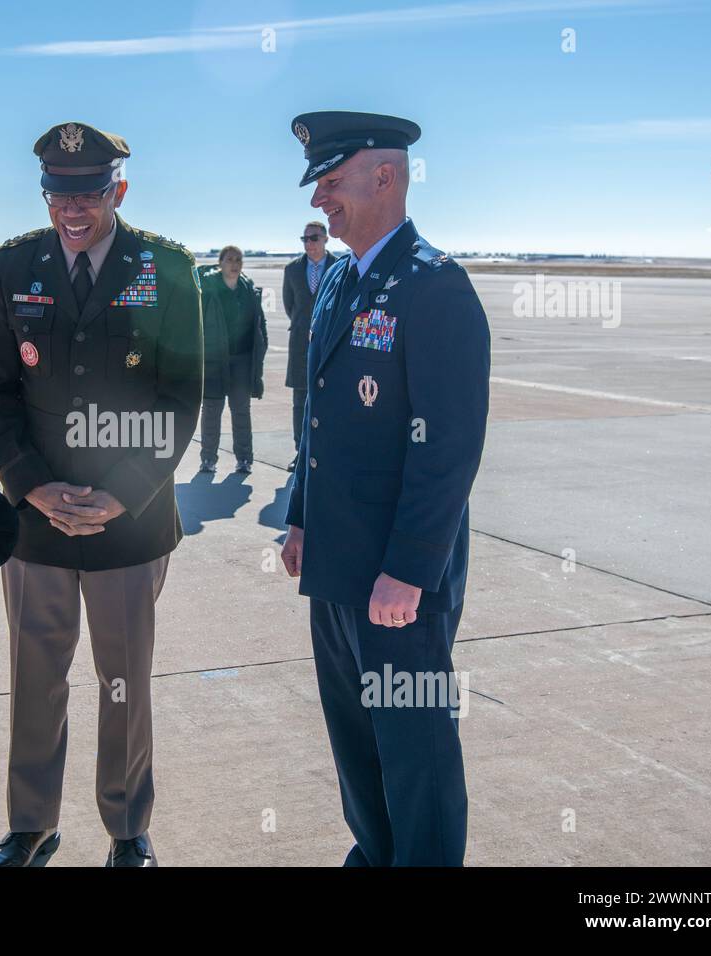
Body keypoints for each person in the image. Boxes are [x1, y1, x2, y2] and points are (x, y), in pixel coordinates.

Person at [0, 122, 203, 867]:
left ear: (118, 191)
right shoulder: (15, 266)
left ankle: (128, 828)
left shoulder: (165, 266)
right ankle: (31, 822)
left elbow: (181, 396)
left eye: (90, 196)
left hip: (128, 524)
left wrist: (121, 494)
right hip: (36, 522)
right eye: (58, 196)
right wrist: (32, 487)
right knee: (34, 677)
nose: (73, 212)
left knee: (123, 680)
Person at [280, 111, 490, 866]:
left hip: (398, 578)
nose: (319, 202)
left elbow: (451, 449)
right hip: (336, 561)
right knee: (355, 734)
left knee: (415, 743)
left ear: (386, 176)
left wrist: (408, 568)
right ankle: (375, 852)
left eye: (331, 183)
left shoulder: (435, 287)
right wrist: (300, 517)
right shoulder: (340, 277)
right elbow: (320, 418)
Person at [197, 246, 266, 475]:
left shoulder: (248, 290)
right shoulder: (208, 288)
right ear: (220, 263)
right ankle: (208, 459)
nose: (234, 264)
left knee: (241, 410)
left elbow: (259, 325)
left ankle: (244, 459)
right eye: (229, 259)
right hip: (215, 360)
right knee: (212, 410)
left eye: (238, 260)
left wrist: (260, 352)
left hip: (242, 361)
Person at [282, 222, 337, 471]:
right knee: (300, 400)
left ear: (326, 239)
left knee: (331, 399)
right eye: (304, 239)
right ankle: (300, 453)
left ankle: (326, 453)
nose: (309, 243)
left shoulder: (340, 267)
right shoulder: (292, 269)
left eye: (314, 238)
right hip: (300, 344)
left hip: (330, 344)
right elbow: (289, 305)